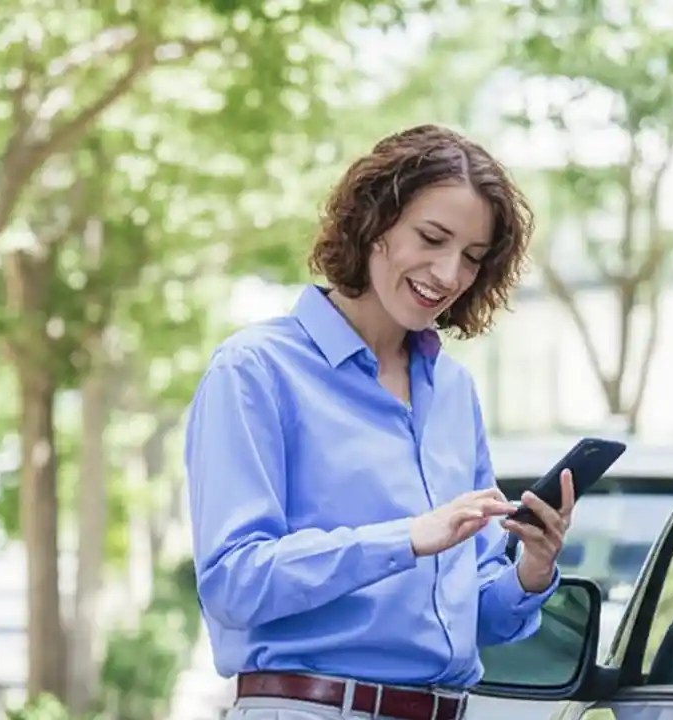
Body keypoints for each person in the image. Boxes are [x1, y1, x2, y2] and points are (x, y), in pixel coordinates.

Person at [185, 125, 574, 720]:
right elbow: (235, 583)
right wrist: (406, 538)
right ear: (374, 223)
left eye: (472, 258)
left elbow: (480, 617)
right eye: (432, 237)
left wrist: (531, 569)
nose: (448, 275)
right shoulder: (257, 370)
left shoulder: (453, 391)